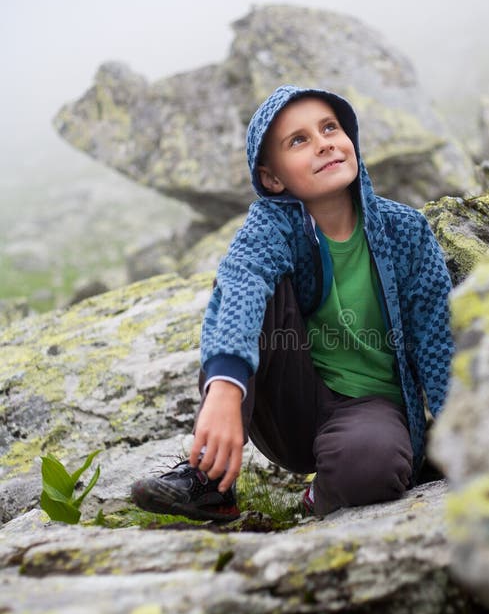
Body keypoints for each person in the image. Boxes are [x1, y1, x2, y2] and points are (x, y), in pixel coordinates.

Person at [131, 85, 453, 520]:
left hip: (371, 408)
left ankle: (321, 493)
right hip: (291, 399)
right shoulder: (271, 224)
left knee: (370, 467)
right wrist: (225, 387)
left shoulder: (406, 232)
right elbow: (243, 281)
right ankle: (210, 482)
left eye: (330, 128)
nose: (323, 143)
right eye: (299, 140)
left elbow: (438, 343)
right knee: (240, 292)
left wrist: (466, 435)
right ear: (273, 178)